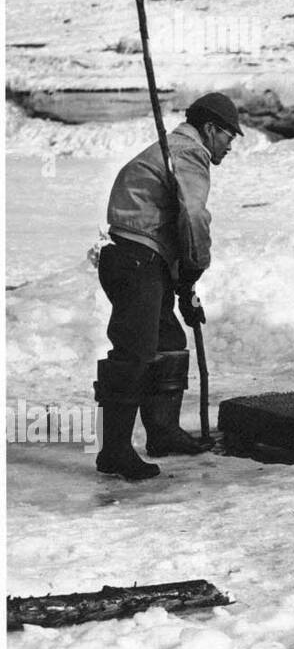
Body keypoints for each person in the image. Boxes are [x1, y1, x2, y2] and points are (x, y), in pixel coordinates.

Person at [93, 92, 242, 479]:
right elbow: (193, 218)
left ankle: (163, 432)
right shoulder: (188, 153)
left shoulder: (170, 149)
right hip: (136, 260)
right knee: (134, 353)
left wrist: (182, 286)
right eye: (229, 136)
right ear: (211, 129)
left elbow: (167, 222)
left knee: (168, 342)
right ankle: (114, 452)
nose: (230, 145)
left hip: (141, 257)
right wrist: (195, 267)